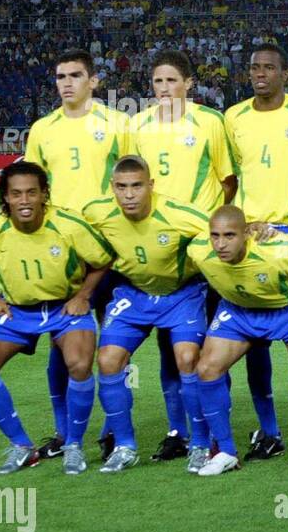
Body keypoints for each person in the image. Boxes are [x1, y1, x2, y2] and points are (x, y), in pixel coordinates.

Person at [0, 161, 113, 474]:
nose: (24, 200)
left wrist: (82, 296)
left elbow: (102, 260)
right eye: (16, 194)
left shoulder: (69, 224)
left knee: (79, 363)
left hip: (64, 309)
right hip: (16, 310)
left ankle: (73, 444)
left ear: (44, 194)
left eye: (32, 192)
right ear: (4, 197)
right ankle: (22, 446)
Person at [127, 49, 235, 461]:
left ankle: (209, 430)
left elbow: (228, 181)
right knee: (168, 346)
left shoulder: (210, 122)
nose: (165, 89)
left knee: (208, 344)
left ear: (189, 83)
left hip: (202, 250)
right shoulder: (138, 125)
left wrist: (205, 229)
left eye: (173, 81)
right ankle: (177, 431)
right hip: (157, 249)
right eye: (158, 82)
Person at [23, 49, 131, 461]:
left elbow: (133, 179)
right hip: (61, 252)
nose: (66, 83)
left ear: (94, 81)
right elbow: (32, 188)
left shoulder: (118, 124)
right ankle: (64, 430)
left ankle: (110, 427)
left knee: (114, 339)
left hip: (110, 247)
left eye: (75, 75)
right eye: (60, 76)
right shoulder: (42, 129)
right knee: (60, 342)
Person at [223, 42, 288, 463]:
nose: (260, 73)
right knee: (253, 339)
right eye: (254, 68)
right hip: (248, 241)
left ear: (287, 72)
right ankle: (268, 430)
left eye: (269, 67)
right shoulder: (234, 117)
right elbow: (230, 180)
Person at [82, 155, 212, 474]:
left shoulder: (180, 214)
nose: (129, 194)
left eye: (137, 186)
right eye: (122, 187)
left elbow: (222, 229)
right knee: (108, 360)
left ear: (150, 186)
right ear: (112, 187)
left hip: (182, 294)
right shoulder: (96, 212)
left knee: (186, 358)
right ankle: (124, 446)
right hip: (134, 294)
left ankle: (201, 444)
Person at [188, 206, 288, 477]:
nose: (220, 244)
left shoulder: (277, 248)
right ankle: (225, 451)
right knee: (206, 368)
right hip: (240, 312)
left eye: (229, 235)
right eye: (215, 236)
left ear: (246, 234)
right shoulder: (199, 251)